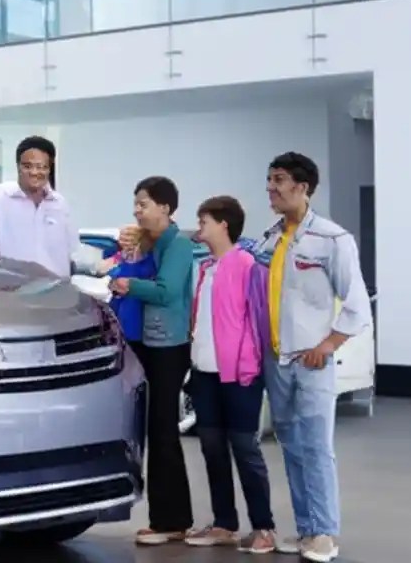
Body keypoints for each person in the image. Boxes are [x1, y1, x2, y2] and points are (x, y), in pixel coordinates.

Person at [249, 152, 371, 563]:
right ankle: (305, 530)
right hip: (276, 360)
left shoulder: (333, 239)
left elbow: (357, 306)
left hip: (311, 361)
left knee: (317, 447)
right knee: (292, 447)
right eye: (269, 179)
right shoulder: (270, 238)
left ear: (302, 187)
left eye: (279, 180)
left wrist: (328, 345)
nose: (271, 187)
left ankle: (324, 533)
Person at [182, 196, 278, 553]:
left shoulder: (248, 266)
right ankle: (224, 524)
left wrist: (251, 367)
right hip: (204, 375)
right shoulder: (206, 269)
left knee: (244, 447)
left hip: (239, 377)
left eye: (204, 220)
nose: (200, 227)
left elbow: (259, 321)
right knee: (211, 448)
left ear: (223, 224)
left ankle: (264, 527)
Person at [109, 176, 195, 545]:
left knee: (163, 431)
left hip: (168, 346)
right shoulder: (150, 242)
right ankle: (165, 518)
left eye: (143, 203)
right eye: (136, 203)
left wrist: (130, 286)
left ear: (165, 207)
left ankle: (171, 520)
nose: (137, 210)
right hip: (145, 343)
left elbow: (167, 291)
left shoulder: (178, 245)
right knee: (151, 431)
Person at [0, 135, 94, 280]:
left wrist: (99, 266)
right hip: (11, 293)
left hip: (57, 293)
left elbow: (73, 251)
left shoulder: (59, 203)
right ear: (18, 166)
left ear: (49, 169)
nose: (35, 173)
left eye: (42, 167)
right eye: (27, 166)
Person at [96, 225, 156, 342]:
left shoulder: (147, 264)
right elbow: (102, 267)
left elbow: (135, 274)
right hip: (115, 323)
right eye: (124, 237)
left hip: (136, 325)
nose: (126, 241)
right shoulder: (119, 257)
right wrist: (119, 248)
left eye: (130, 237)